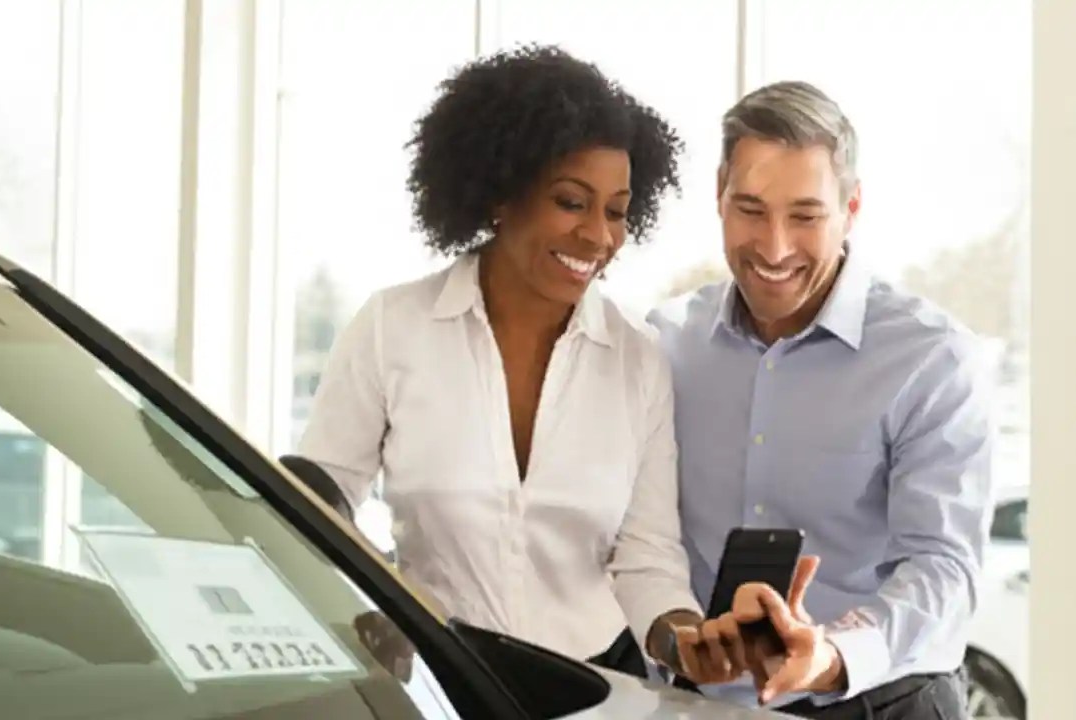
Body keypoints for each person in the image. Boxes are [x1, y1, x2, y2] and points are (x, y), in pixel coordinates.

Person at [296, 45, 731, 683]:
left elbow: (647, 558)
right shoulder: (393, 328)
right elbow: (318, 505)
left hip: (595, 684)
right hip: (438, 676)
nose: (598, 236)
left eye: (616, 211)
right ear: (501, 195)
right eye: (571, 201)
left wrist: (685, 640)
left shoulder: (637, 360)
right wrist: (370, 601)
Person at [647, 80, 995, 719]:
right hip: (699, 704)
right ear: (719, 195)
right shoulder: (666, 343)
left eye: (805, 216)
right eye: (750, 209)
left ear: (851, 207)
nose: (774, 246)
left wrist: (833, 653)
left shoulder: (932, 358)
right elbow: (641, 538)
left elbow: (943, 566)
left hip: (881, 702)